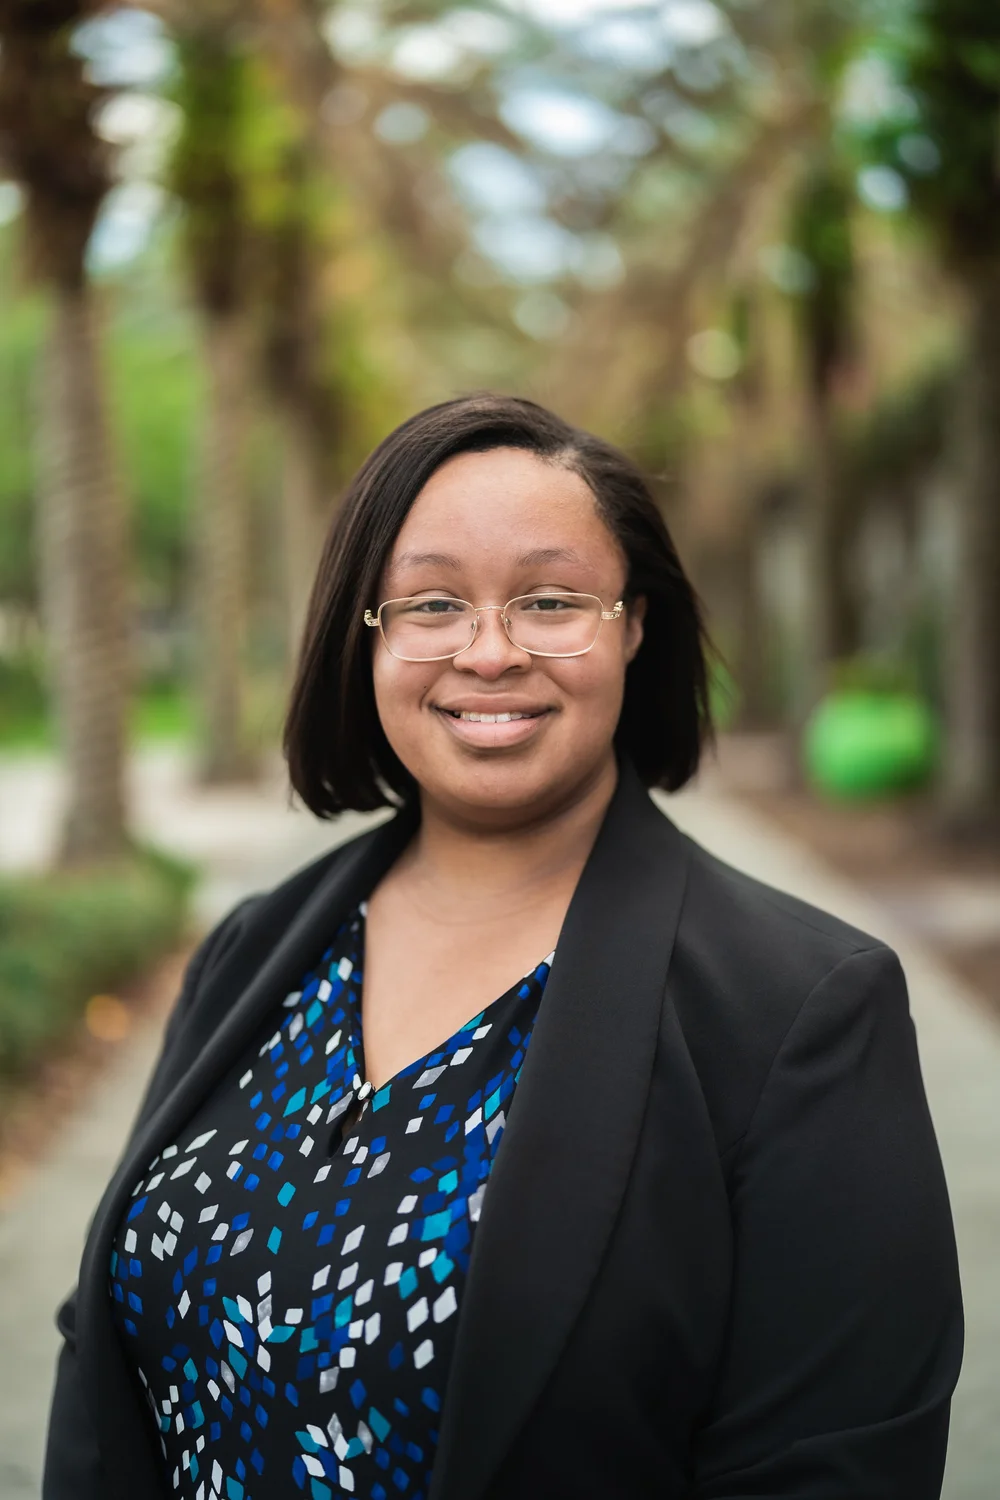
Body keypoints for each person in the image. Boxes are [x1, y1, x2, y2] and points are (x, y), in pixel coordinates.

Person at [43, 394, 962, 1500]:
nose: (488, 651)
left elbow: (831, 1467)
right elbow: (103, 1368)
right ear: (365, 634)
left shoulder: (802, 1011)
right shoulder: (256, 949)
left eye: (550, 600)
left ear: (632, 625)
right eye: (429, 602)